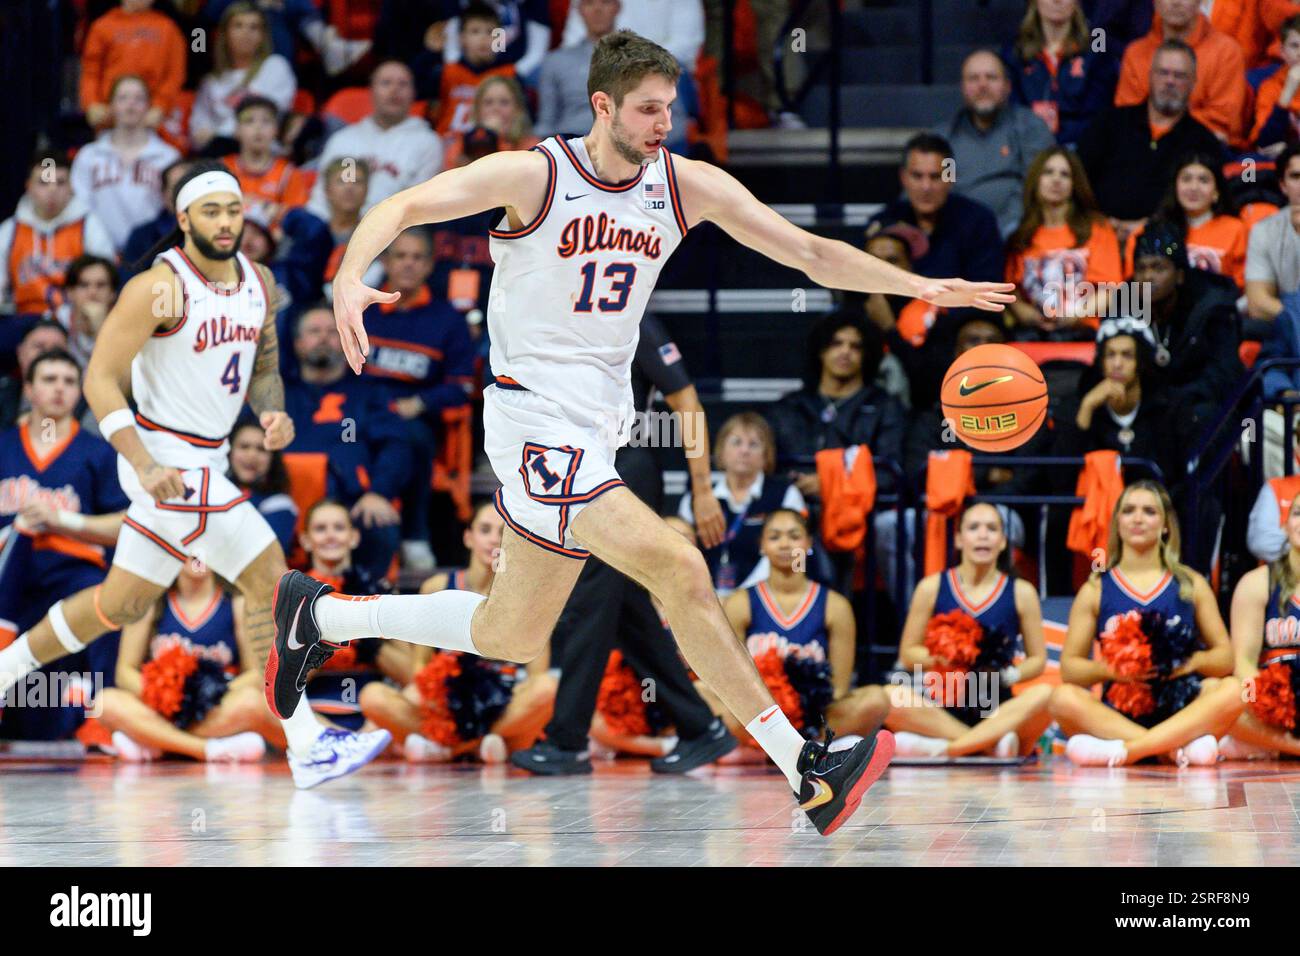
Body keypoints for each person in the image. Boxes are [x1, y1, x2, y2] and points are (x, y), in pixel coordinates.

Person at [271, 30, 1015, 836]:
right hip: (532, 421)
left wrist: (918, 284)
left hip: (598, 428)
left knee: (510, 632)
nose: (666, 122)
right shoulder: (539, 174)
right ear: (603, 106)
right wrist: (350, 274)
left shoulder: (683, 184)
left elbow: (804, 251)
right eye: (648, 109)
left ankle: (320, 617)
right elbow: (408, 202)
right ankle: (806, 766)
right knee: (678, 565)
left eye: (671, 106)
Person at [0, 161, 390, 788]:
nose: (226, 222)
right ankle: (308, 741)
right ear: (184, 219)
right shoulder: (159, 286)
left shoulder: (261, 281)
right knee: (274, 581)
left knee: (118, 603)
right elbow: (99, 379)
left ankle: (3, 672)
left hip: (204, 459)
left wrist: (272, 413)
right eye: (211, 211)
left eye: (234, 210)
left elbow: (263, 365)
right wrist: (143, 461)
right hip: (166, 461)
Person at [511, 313, 736, 775]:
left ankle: (567, 740)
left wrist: (701, 488)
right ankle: (699, 727)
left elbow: (687, 402)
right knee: (626, 606)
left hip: (624, 468)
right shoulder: (559, 315)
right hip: (583, 466)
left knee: (591, 601)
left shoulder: (635, 319)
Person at [1049, 480, 1243, 766]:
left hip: (1182, 704)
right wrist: (1115, 670)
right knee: (1062, 698)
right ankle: (1173, 749)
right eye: (1129, 510)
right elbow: (1070, 668)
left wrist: (1188, 663)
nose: (1138, 518)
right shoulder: (1096, 587)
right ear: (1117, 522)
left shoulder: (1190, 583)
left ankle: (1129, 750)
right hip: (1120, 708)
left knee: (1234, 690)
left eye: (1149, 511)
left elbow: (1225, 657)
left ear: (1166, 525)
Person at [362, 500, 556, 763]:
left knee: (547, 688)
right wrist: (438, 702)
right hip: (447, 704)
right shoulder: (437, 588)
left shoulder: (527, 596)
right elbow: (420, 664)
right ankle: (480, 747)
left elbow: (537, 675)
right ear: (468, 537)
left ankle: (449, 749)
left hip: (503, 707)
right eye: (485, 530)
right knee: (372, 697)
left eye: (503, 532)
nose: (493, 540)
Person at [0, 349, 128, 741]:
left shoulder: (99, 451)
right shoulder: (4, 445)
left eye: (69, 381)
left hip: (72, 570)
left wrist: (63, 520)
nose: (59, 389)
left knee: (111, 603)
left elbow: (126, 526)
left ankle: (102, 721)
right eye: (49, 379)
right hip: (8, 571)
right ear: (28, 389)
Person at [887, 502, 1052, 757]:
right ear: (959, 540)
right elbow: (908, 653)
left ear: (1003, 542)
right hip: (943, 702)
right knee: (889, 696)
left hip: (996, 704)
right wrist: (943, 658)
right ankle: (987, 745)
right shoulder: (931, 587)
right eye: (974, 527)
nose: (983, 534)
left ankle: (945, 747)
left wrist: (1008, 675)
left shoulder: (1021, 591)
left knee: (1046, 695)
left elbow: (1038, 660)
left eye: (992, 528)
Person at [716, 509, 891, 744]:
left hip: (815, 719)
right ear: (762, 546)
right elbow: (733, 679)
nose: (785, 544)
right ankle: (797, 747)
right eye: (775, 537)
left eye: (794, 536)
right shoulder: (740, 603)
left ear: (808, 544)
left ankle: (799, 746)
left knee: (876, 698)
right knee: (705, 697)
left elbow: (838, 688)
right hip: (759, 716)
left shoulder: (835, 606)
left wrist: (806, 708)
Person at [362, 227, 475, 570]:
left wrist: (421, 403)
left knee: (407, 439)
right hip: (361, 413)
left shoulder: (448, 321)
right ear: (386, 262)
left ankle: (413, 533)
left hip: (414, 418)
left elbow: (463, 386)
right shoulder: (363, 309)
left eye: (417, 257)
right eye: (400, 256)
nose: (408, 265)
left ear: (429, 266)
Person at [96, 561, 276, 762]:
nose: (197, 553)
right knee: (104, 702)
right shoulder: (148, 602)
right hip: (161, 709)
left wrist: (206, 696)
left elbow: (257, 674)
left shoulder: (237, 603)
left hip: (216, 707)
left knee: (251, 701)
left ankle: (155, 742)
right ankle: (206, 749)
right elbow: (124, 672)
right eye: (189, 544)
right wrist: (165, 696)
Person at [284, 304, 412, 577]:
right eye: (314, 331)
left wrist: (379, 491)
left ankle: (370, 604)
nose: (323, 338)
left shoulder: (369, 393)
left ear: (346, 339)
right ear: (297, 343)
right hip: (286, 501)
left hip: (351, 502)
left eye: (332, 331)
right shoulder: (278, 394)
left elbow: (396, 445)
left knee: (379, 524)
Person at [1077, 40, 1225, 243]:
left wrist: (1147, 226)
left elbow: (1205, 205)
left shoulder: (1204, 141)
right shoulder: (1108, 123)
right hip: (1097, 235)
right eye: (1163, 73)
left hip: (1167, 243)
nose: (1170, 81)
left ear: (1193, 83)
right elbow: (1079, 180)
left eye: (1179, 75)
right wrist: (1102, 223)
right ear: (1150, 76)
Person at [1053, 317, 1191, 488]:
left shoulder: (1168, 408)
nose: (1117, 364)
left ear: (1142, 362)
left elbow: (1176, 476)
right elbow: (1060, 481)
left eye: (1127, 355)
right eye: (1110, 355)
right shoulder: (1077, 407)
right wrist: (1087, 407)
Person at [933, 49, 1056, 239]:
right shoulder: (945, 138)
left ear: (1007, 86)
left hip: (1021, 233)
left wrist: (1002, 230)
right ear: (963, 88)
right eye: (973, 78)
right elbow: (944, 190)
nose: (982, 85)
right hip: (959, 237)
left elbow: (1034, 185)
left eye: (991, 77)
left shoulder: (1030, 128)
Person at [680, 411, 806, 595]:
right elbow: (682, 554)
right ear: (721, 452)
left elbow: (799, 555)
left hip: (768, 596)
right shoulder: (696, 499)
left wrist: (746, 597)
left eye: (753, 444)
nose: (744, 450)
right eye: (736, 442)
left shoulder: (786, 495)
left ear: (766, 455)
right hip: (703, 597)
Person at [1004, 145, 1123, 339]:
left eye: (1065, 174)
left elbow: (1109, 290)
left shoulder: (1097, 228)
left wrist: (1072, 316)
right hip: (1033, 334)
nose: (1056, 179)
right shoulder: (1021, 236)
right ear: (1036, 180)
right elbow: (1012, 293)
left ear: (1074, 183)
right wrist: (1031, 317)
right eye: (1048, 172)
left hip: (1084, 333)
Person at [1131, 222, 1243, 423]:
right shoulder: (1125, 306)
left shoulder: (1213, 308)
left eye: (1158, 268)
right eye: (1141, 269)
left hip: (1199, 405)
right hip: (1147, 406)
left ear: (1180, 275)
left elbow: (1223, 376)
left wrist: (1172, 400)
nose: (1148, 277)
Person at [304, 61, 444, 220]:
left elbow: (418, 207)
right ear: (371, 91)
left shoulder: (428, 142)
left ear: (413, 93)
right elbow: (320, 199)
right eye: (386, 83)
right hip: (334, 233)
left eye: (403, 84)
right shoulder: (343, 139)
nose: (394, 90)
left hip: (393, 236)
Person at [865, 134, 1004, 288]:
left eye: (935, 176)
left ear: (950, 177)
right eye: (917, 176)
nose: (926, 187)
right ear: (903, 177)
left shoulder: (979, 223)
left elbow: (987, 291)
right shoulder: (885, 223)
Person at [1224, 494, 1300, 758]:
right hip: (1274, 703)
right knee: (1225, 695)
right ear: (1285, 525)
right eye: (1298, 513)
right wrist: (1273, 701)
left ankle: (1266, 744)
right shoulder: (1256, 583)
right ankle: (1289, 745)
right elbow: (1243, 662)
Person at [1113, 0, 1249, 146]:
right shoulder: (1135, 53)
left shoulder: (1227, 52)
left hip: (1202, 148)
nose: (1175, 2)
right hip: (1142, 147)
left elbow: (1224, 120)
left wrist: (1163, 125)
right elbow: (1126, 116)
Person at [69, 75, 181, 254]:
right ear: (111, 106)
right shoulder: (89, 155)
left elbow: (174, 211)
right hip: (99, 254)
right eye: (123, 98)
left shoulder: (168, 156)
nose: (130, 105)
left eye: (138, 99)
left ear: (149, 106)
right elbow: (80, 209)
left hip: (153, 252)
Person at [0, 150, 115, 316]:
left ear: (71, 187)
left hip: (75, 321)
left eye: (60, 182)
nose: (52, 190)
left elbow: (105, 286)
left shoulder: (89, 226)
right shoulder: (10, 231)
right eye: (43, 183)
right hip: (23, 321)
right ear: (28, 187)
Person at [1004, 0, 1120, 149]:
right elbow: (1013, 108)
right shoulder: (1015, 49)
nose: (1057, 1)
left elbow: (1098, 112)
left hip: (1080, 145)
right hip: (1028, 143)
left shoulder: (1097, 46)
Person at [1122, 152, 1247, 289]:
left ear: (1216, 192)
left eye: (1203, 180)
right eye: (1186, 179)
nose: (1194, 187)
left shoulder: (1236, 229)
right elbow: (1134, 285)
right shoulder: (1149, 232)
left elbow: (1242, 287)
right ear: (1175, 187)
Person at [190, 2, 297, 157]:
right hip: (219, 154)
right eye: (238, 26)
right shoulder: (212, 80)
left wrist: (218, 133)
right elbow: (198, 127)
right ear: (225, 34)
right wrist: (205, 135)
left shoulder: (275, 67)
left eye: (254, 27)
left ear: (263, 36)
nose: (246, 33)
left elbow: (267, 115)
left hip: (264, 152)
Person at [79, 0, 185, 133]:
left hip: (152, 122)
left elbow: (174, 74)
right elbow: (90, 71)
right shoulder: (102, 26)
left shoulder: (168, 28)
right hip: (110, 119)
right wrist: (92, 104)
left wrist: (160, 107)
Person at [221, 97, 313, 228]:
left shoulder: (289, 174)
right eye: (249, 121)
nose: (258, 128)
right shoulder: (221, 169)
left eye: (266, 121)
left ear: (276, 130)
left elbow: (296, 223)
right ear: (236, 129)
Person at [537, 0, 622, 138]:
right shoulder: (556, 61)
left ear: (617, 7)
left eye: (605, 2)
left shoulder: (642, 59)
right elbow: (546, 122)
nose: (597, 9)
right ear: (580, 10)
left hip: (626, 143)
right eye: (589, 3)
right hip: (570, 143)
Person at [431, 3, 518, 138]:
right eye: (475, 31)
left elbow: (521, 122)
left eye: (491, 32)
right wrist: (430, 52)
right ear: (462, 38)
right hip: (448, 146)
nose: (483, 38)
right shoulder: (446, 72)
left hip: (495, 148)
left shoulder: (510, 75)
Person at [1245, 142, 1300, 323]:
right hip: (1288, 327)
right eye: (1296, 176)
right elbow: (1258, 302)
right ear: (1283, 185)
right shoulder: (1264, 231)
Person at [228, 419, 298, 555]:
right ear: (229, 452)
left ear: (273, 458)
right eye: (244, 446)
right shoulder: (211, 493)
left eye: (261, 449)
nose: (252, 455)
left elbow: (264, 554)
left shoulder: (281, 505)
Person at [441, 76, 540, 170]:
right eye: (488, 102)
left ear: (518, 109)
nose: (495, 109)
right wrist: (485, 138)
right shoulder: (462, 143)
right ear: (477, 110)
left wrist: (496, 137)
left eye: (504, 102)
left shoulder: (532, 146)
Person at [120, 159, 192, 284]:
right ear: (164, 195)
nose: (185, 193)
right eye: (177, 187)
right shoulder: (141, 236)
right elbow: (129, 285)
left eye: (190, 186)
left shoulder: (218, 231)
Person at [56, 255, 119, 374]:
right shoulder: (57, 322)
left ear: (113, 293)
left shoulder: (126, 326)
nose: (92, 292)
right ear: (70, 292)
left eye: (101, 285)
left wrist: (100, 330)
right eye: (84, 285)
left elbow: (121, 377)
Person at [1251, 15, 1300, 150]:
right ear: (1282, 52)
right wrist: (1287, 93)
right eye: (1295, 46)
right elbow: (1266, 142)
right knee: (1248, 162)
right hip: (1287, 162)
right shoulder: (1270, 87)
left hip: (1289, 151)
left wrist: (1288, 149)